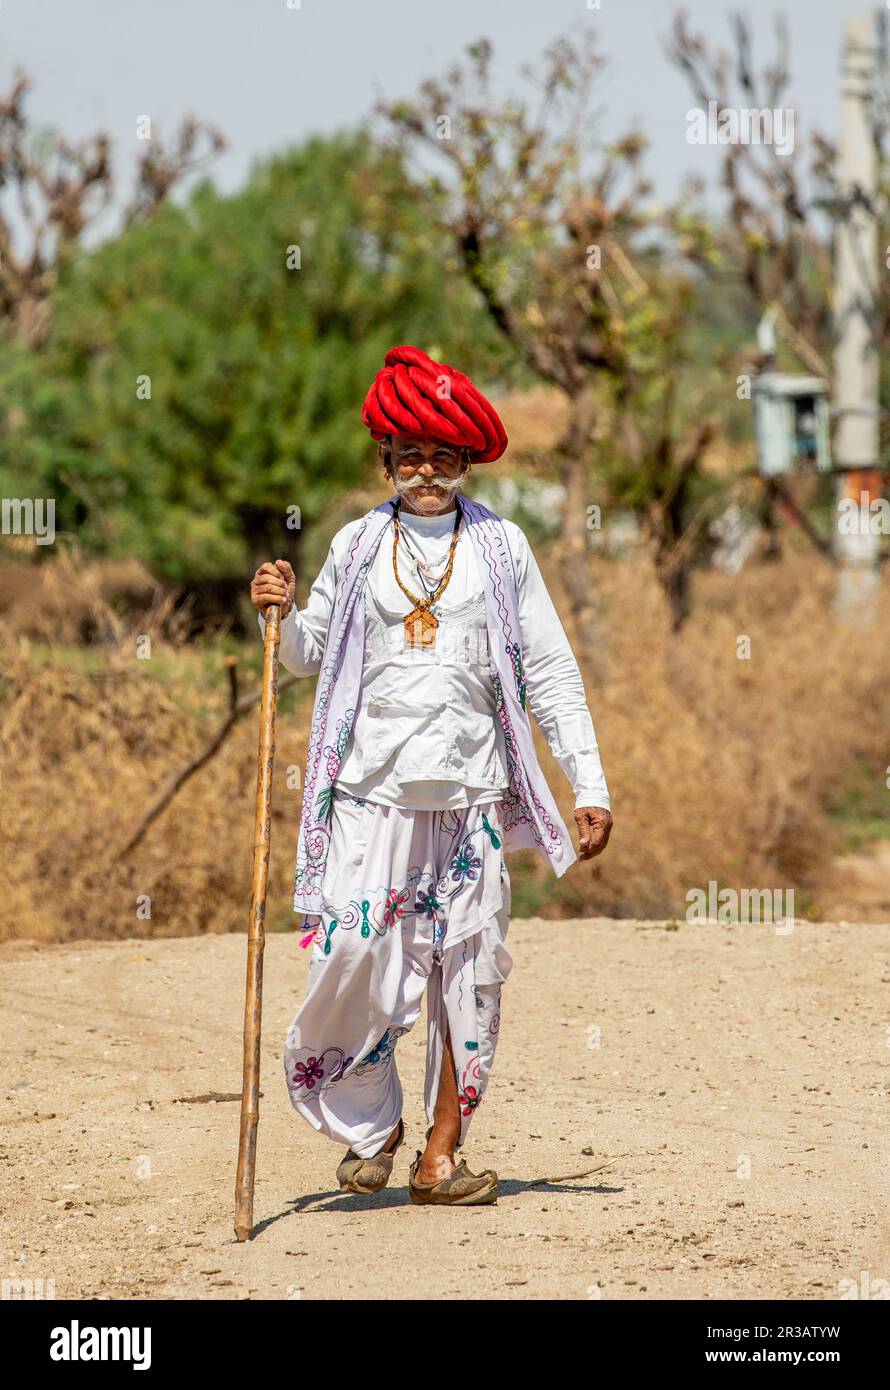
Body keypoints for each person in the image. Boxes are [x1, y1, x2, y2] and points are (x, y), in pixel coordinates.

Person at [250, 344, 612, 1206]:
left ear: (466, 462)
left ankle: (441, 1156)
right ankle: (372, 1128)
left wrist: (587, 784)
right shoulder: (357, 543)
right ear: (386, 461)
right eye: (409, 454)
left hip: (472, 795)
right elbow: (306, 659)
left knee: (468, 971)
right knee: (352, 956)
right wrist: (280, 612)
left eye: (443, 456)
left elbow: (551, 672)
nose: (425, 470)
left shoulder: (501, 546)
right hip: (372, 793)